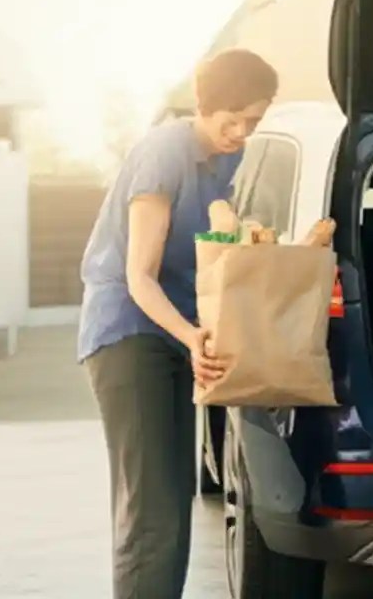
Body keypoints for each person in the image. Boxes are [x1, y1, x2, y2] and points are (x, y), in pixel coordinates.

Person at [77, 48, 279, 598]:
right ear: (203, 105)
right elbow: (139, 275)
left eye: (252, 122)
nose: (239, 131)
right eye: (230, 119)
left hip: (175, 333)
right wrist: (193, 337)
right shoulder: (165, 152)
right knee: (152, 507)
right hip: (129, 333)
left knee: (176, 497)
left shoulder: (226, 159)